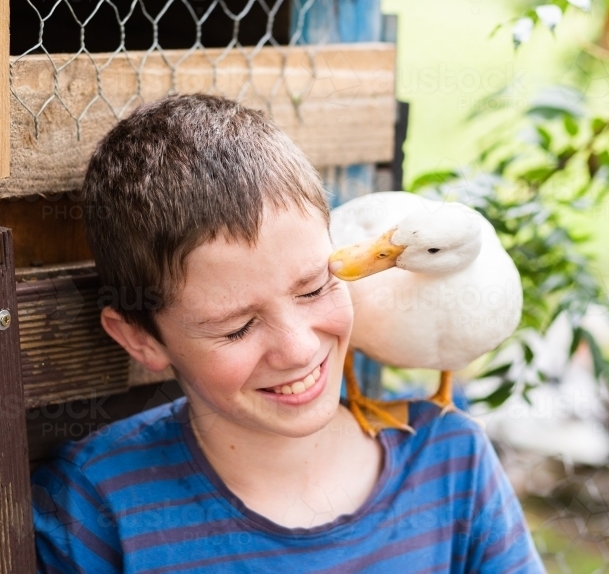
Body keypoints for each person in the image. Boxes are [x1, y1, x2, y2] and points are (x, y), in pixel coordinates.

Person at [31, 94, 546, 573]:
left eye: (317, 288)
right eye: (237, 328)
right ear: (141, 340)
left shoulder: (452, 461)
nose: (299, 349)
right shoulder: (94, 508)